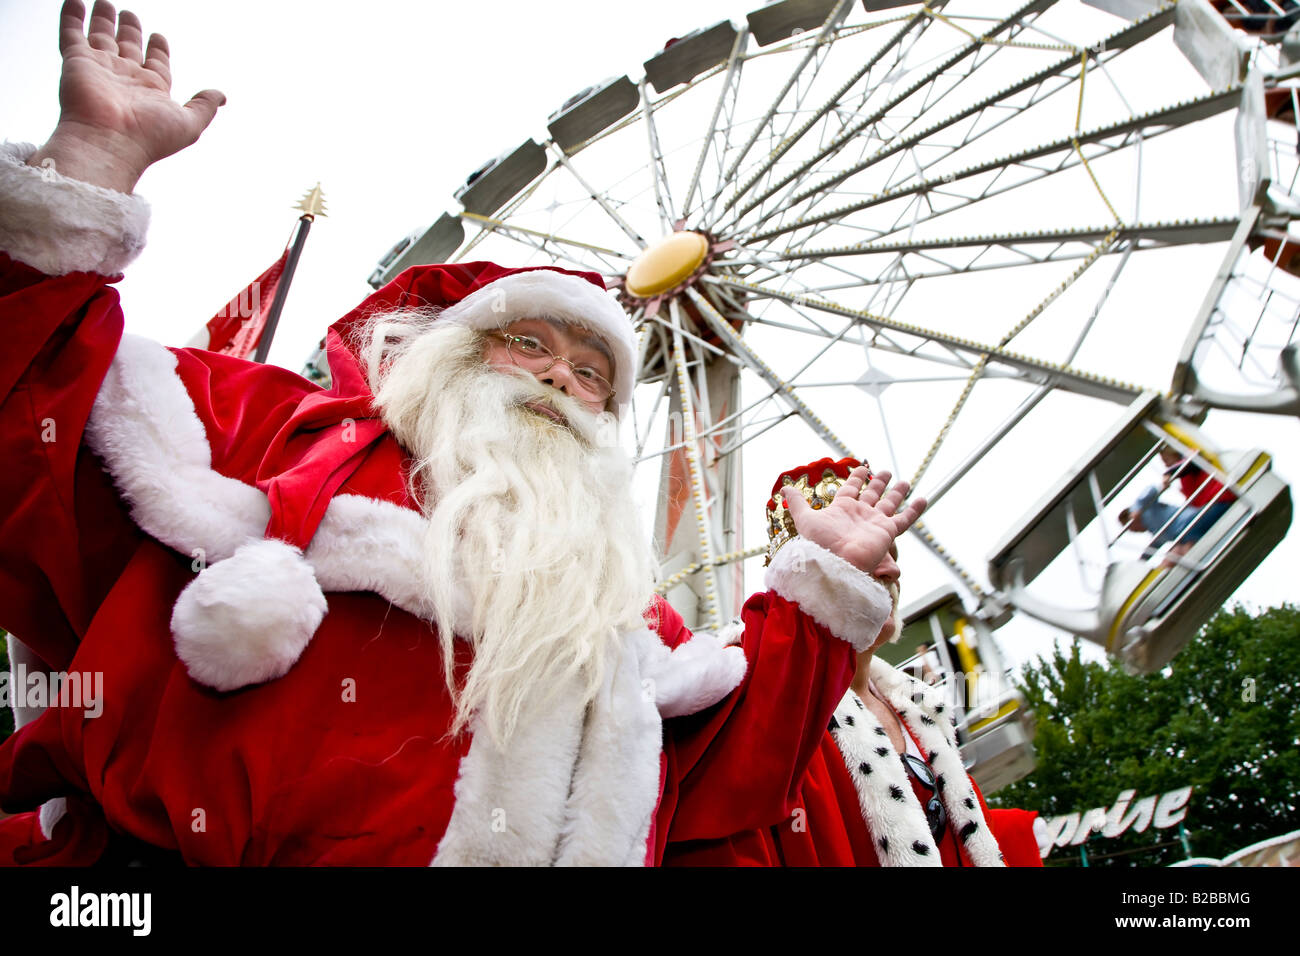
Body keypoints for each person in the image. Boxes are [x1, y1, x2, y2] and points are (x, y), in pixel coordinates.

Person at [0, 1, 926, 865]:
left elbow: (726, 768)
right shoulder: (268, 428)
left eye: (595, 375)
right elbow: (38, 418)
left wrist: (821, 601)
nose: (566, 376)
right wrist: (82, 177)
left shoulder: (616, 607)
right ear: (449, 358)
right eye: (532, 344)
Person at [664, 459, 1041, 867]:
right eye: (869, 555)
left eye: (892, 552)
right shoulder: (761, 703)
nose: (892, 569)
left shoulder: (920, 710)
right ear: (806, 573)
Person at [1119, 446, 1237, 564]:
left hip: (1210, 507)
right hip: (1193, 524)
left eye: (1166, 460)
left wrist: (1169, 473)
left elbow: (1150, 490)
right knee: (1172, 556)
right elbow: (1152, 547)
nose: (1135, 531)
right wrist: (1139, 563)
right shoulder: (1156, 533)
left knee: (1183, 549)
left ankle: (1194, 569)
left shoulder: (1143, 507)